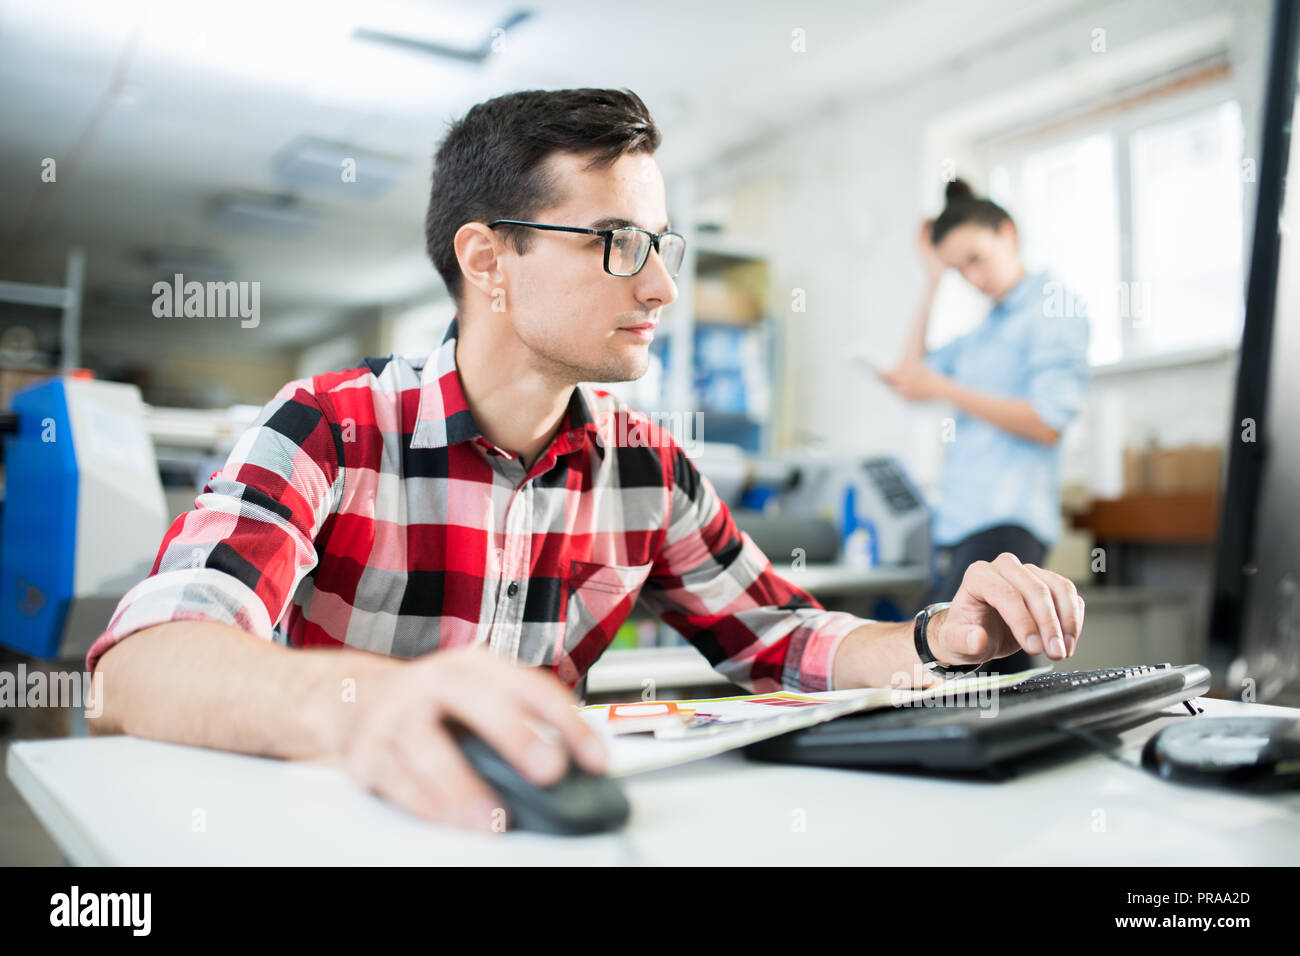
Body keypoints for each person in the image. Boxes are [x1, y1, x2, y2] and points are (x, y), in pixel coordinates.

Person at [87, 93, 1086, 832]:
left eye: (659, 243)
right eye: (614, 241)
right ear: (486, 259)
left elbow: (779, 635)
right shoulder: (329, 426)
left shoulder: (646, 469)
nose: (659, 286)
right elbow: (140, 665)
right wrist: (368, 702)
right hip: (327, 835)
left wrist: (934, 639)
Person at [878, 178, 1091, 674]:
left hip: (1007, 521)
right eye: (958, 269)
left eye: (975, 258)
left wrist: (947, 390)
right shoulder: (984, 331)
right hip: (959, 523)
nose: (971, 278)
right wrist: (931, 280)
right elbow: (910, 375)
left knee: (969, 671)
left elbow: (1048, 421)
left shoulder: (1050, 311)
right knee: (943, 665)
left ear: (1008, 234)